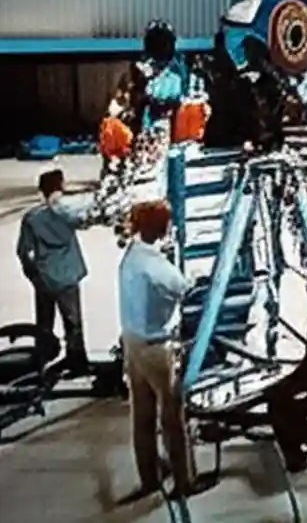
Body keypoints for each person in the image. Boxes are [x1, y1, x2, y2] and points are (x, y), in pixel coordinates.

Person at [117, 200, 200, 503]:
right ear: (162, 229)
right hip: (156, 348)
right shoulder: (157, 266)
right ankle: (184, 482)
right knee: (172, 418)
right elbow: (183, 288)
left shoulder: (131, 256)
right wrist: (200, 278)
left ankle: (149, 479)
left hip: (132, 342)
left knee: (142, 416)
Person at [16, 168, 92, 372]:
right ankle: (77, 360)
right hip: (68, 276)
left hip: (44, 276)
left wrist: (34, 277)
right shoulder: (67, 213)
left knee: (44, 322)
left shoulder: (32, 218)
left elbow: (24, 251)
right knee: (73, 322)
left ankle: (42, 359)